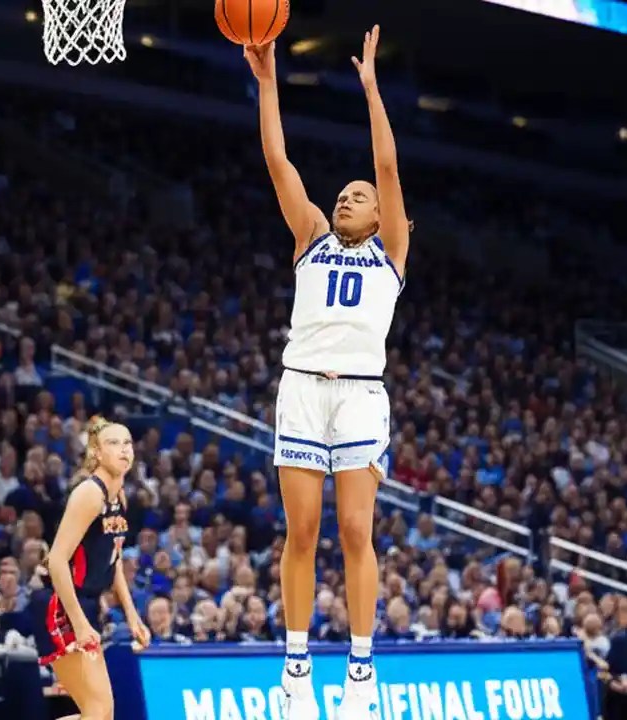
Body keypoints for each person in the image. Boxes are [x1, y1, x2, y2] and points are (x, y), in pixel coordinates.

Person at [244, 24, 410, 720]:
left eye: (358, 195)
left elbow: (388, 166)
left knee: (355, 532)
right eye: (343, 193)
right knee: (303, 532)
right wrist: (267, 81)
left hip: (361, 396)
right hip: (303, 388)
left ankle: (361, 671)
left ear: (381, 215)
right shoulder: (310, 235)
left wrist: (371, 89)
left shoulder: (391, 250)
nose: (347, 197)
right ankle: (296, 667)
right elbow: (277, 159)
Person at [33, 416, 148, 720]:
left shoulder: (119, 496)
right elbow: (57, 560)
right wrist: (80, 623)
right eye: (114, 443)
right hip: (61, 604)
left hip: (86, 602)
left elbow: (114, 559)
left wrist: (132, 615)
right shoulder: (89, 493)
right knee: (97, 711)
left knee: (101, 714)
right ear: (97, 452)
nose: (123, 449)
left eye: (127, 443)